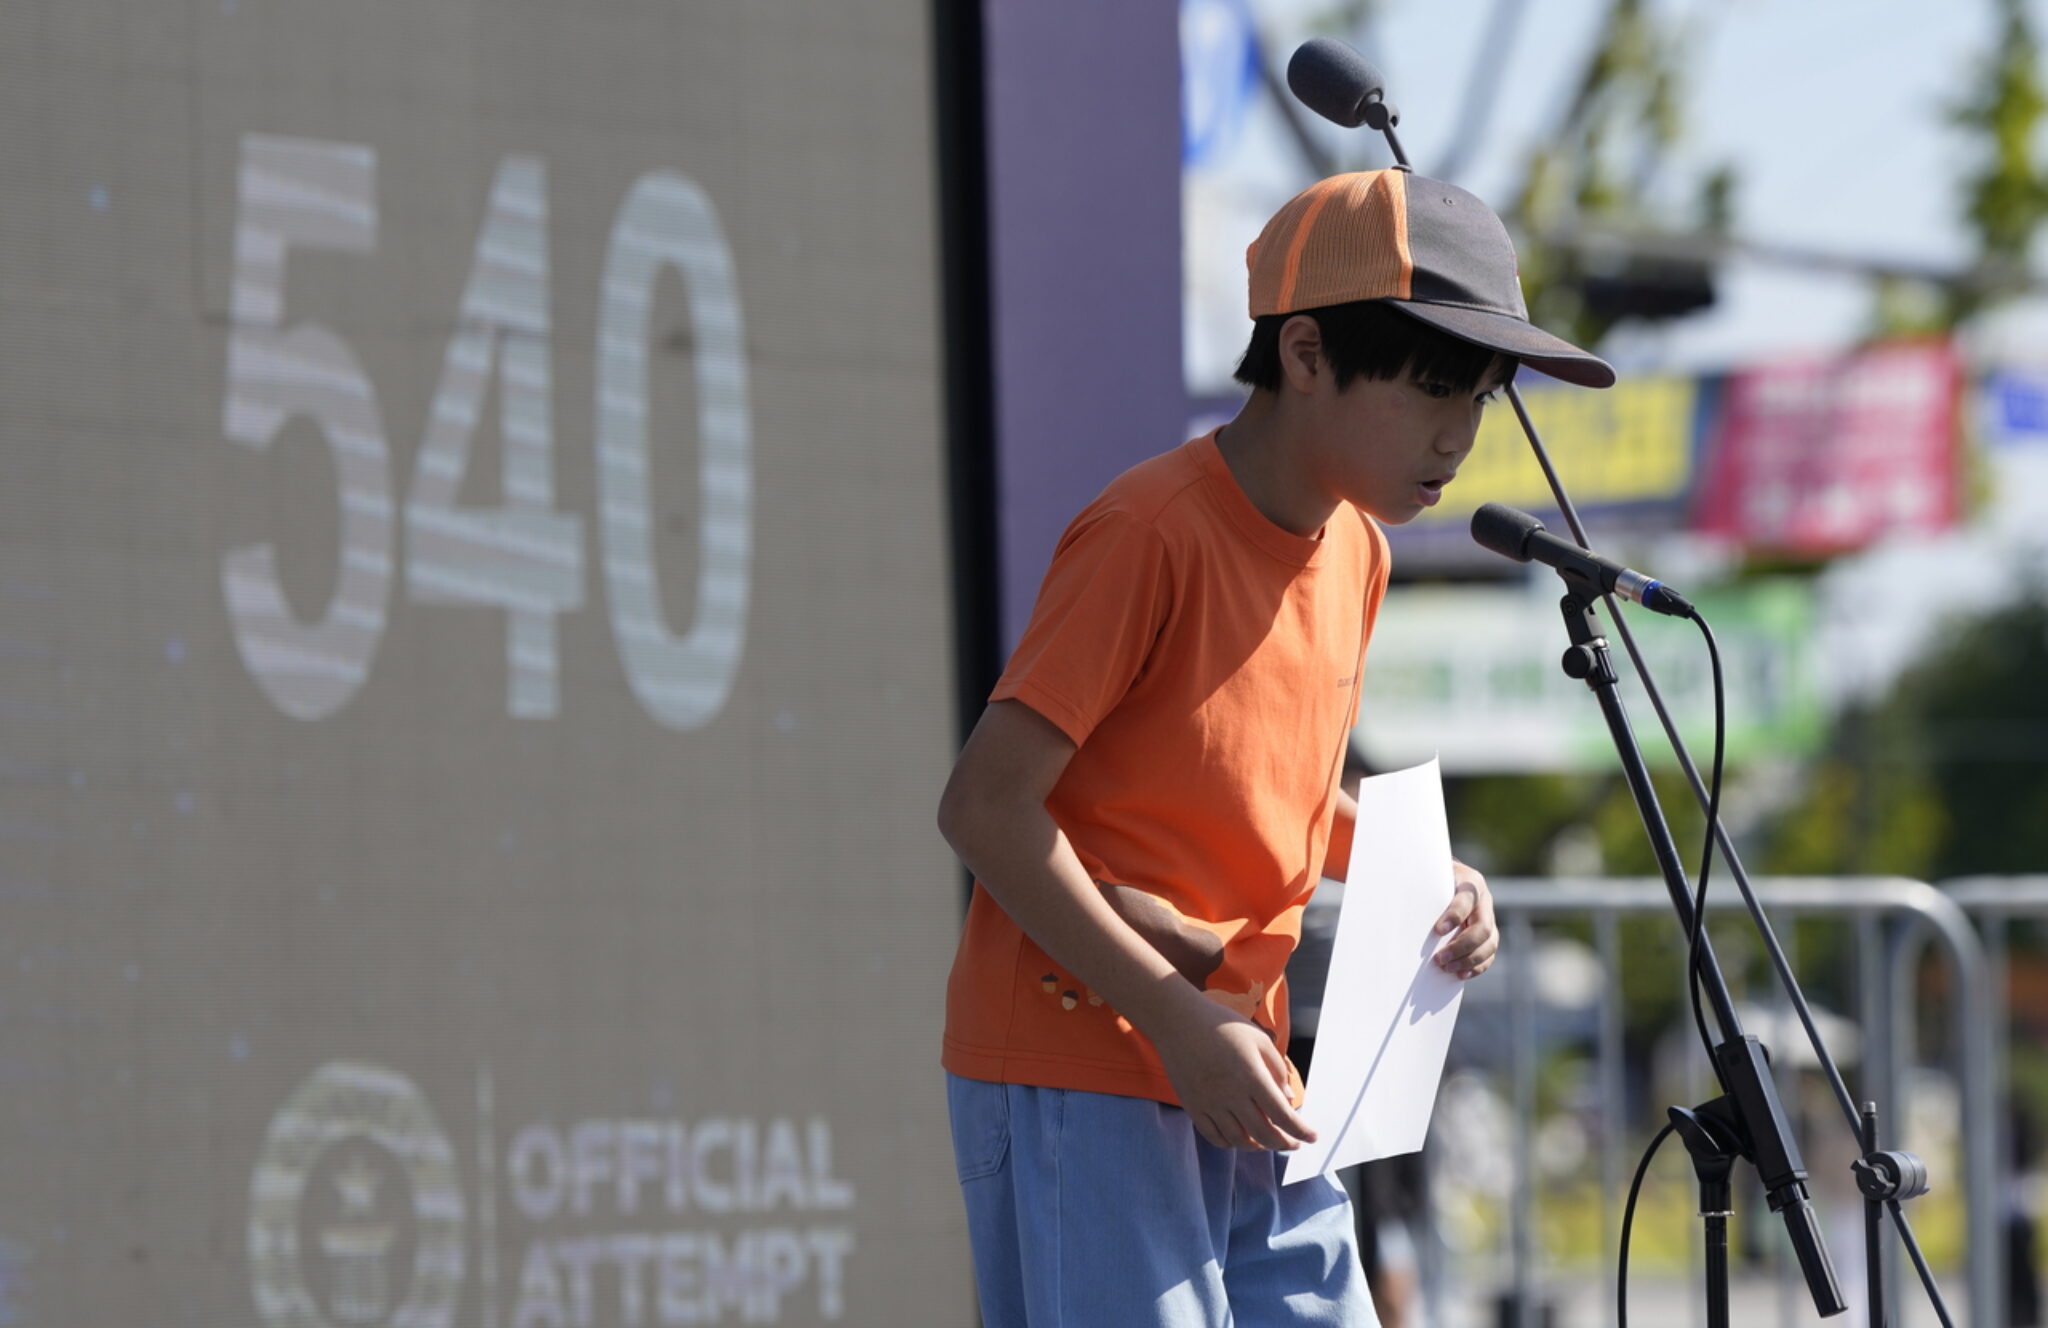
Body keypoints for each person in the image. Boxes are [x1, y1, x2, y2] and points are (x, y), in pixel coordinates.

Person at [937, 168, 1614, 1327]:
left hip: (1240, 1067)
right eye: (1432, 386)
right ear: (1303, 353)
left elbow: (1278, 787)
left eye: (1481, 396)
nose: (1459, 434)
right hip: (1084, 1062)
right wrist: (1170, 1013)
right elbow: (984, 807)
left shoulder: (1359, 548)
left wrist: (1423, 873)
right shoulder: (1147, 530)